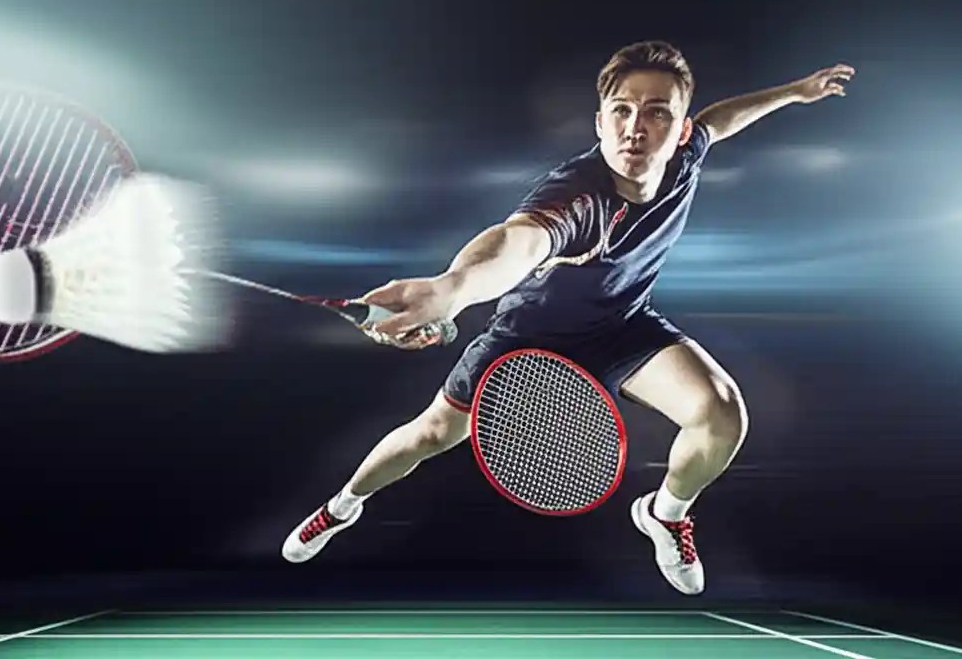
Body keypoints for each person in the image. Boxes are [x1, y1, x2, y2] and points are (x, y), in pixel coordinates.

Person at [280, 40, 854, 595]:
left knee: (723, 414)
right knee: (430, 434)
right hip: (528, 334)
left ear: (678, 130)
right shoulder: (578, 195)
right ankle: (342, 505)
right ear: (600, 122)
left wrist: (796, 92)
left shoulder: (684, 158)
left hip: (620, 326)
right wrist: (451, 290)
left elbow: (720, 120)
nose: (636, 126)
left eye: (657, 113)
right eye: (622, 111)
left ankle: (664, 514)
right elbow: (517, 241)